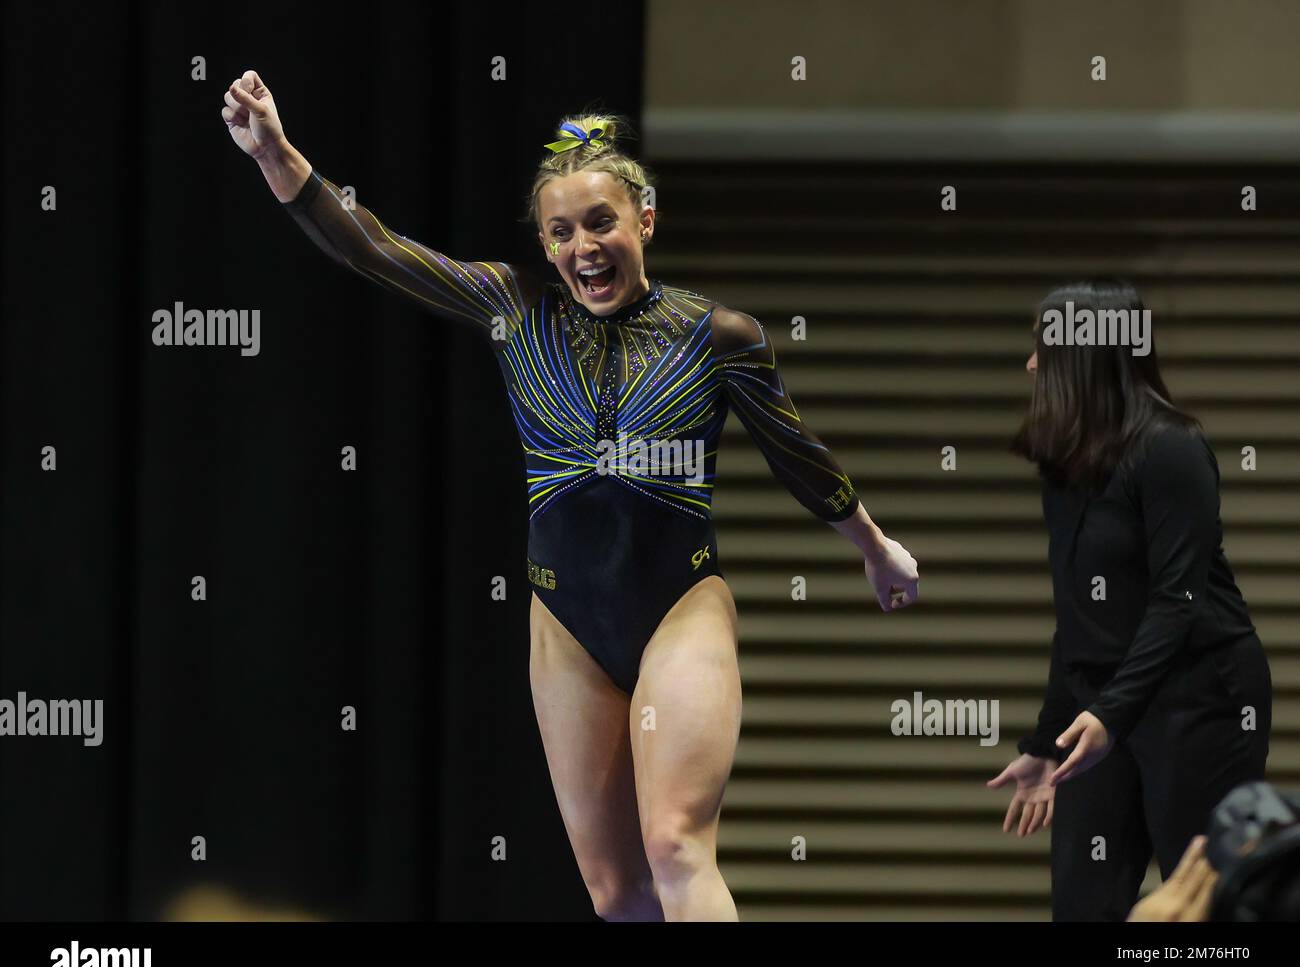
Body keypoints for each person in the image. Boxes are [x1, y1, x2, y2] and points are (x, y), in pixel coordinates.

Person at [222, 70, 919, 922]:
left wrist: (874, 548)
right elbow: (373, 248)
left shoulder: (718, 336)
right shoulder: (514, 309)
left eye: (600, 222)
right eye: (560, 232)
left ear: (644, 220)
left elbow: (800, 457)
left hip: (679, 606)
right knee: (615, 889)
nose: (582, 246)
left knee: (673, 845)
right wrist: (276, 153)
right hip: (566, 620)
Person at [986, 280, 1272, 921]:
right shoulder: (1064, 467)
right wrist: (1043, 741)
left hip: (1201, 700)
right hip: (1104, 711)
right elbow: (1079, 621)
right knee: (1084, 907)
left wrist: (1111, 714)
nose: (1031, 366)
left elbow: (1179, 599)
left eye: (1041, 352)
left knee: (1201, 908)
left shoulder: (1173, 449)